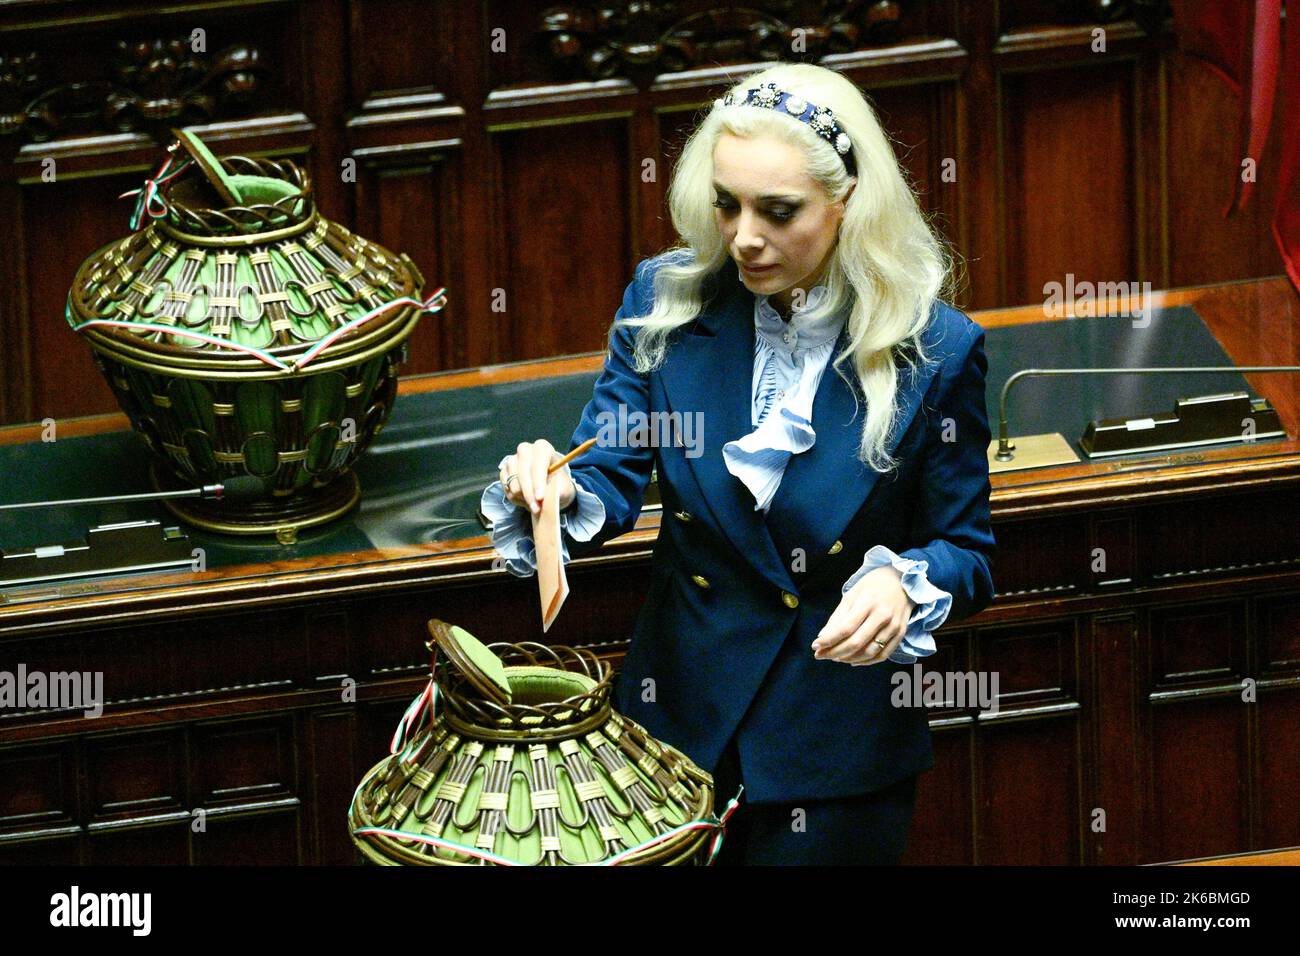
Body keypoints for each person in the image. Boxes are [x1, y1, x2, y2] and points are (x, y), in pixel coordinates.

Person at [481, 62, 995, 865]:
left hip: (834, 751)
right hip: (673, 730)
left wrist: (903, 580)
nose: (743, 236)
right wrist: (554, 487)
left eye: (777, 211)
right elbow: (610, 470)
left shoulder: (938, 350)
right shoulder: (667, 298)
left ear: (847, 203)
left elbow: (967, 552)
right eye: (726, 203)